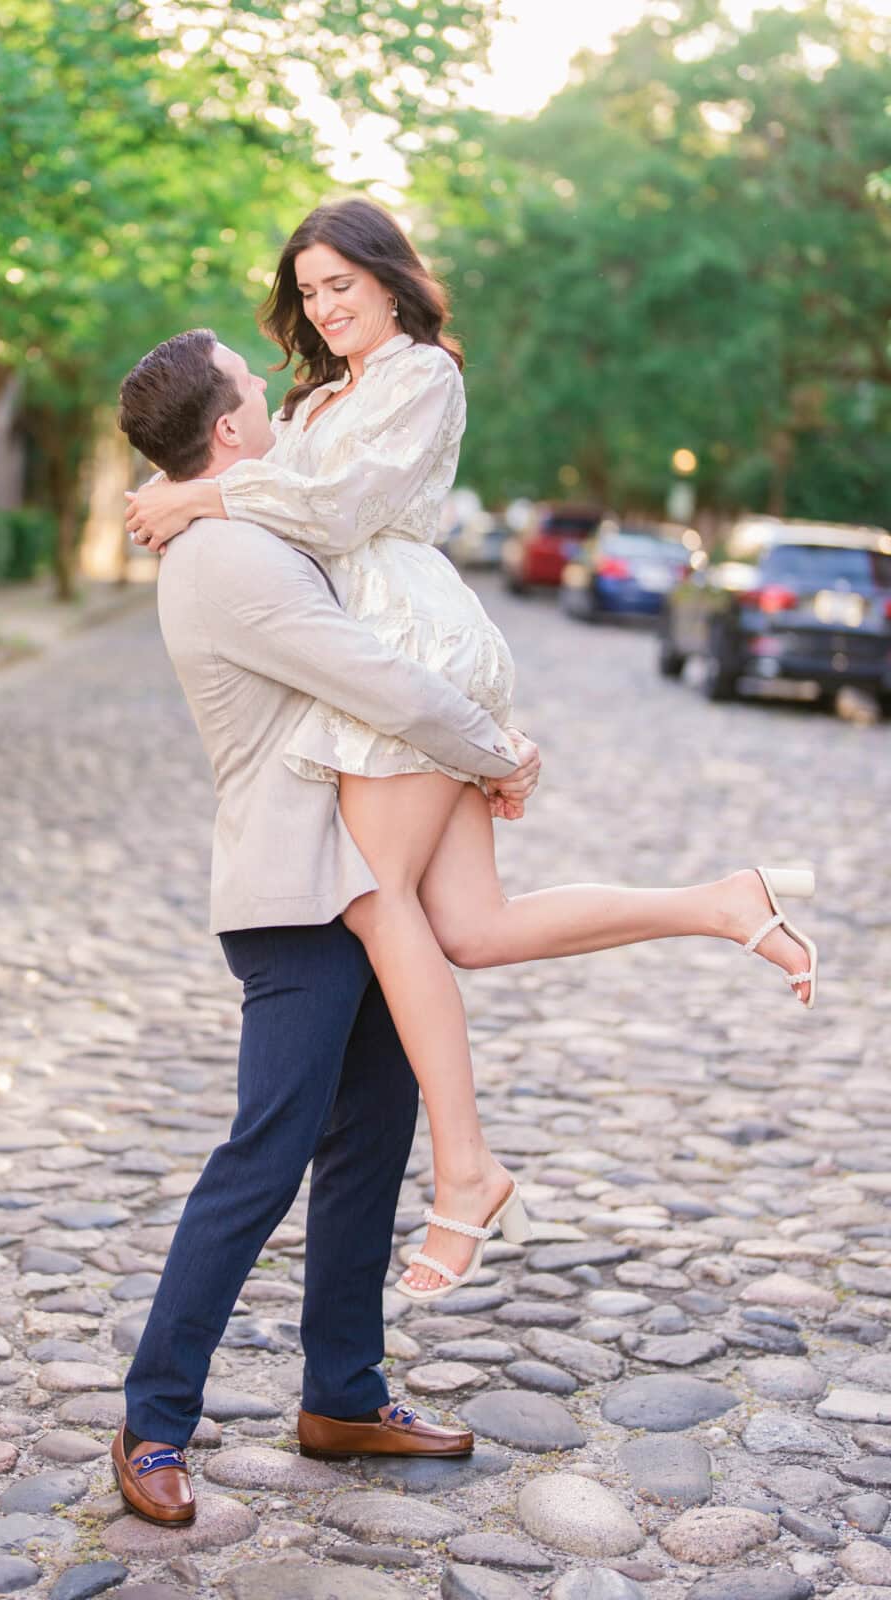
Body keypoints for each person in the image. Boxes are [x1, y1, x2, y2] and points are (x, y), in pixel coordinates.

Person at [124, 198, 821, 1303]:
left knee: (374, 898)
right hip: (385, 638)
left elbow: (336, 510)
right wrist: (181, 486)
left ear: (389, 278)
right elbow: (256, 468)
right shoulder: (318, 397)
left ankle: (467, 1173)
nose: (325, 307)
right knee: (472, 928)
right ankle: (724, 902)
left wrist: (200, 494)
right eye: (308, 292)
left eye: (341, 284)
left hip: (411, 638)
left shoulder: (420, 377)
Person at [109, 326, 537, 1528]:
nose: (270, 383)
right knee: (266, 1154)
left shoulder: (252, 521)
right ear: (228, 428)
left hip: (366, 885)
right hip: (296, 894)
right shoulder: (229, 557)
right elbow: (375, 678)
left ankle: (343, 1396)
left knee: (370, 1148)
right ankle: (153, 1419)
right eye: (249, 380)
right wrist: (496, 751)